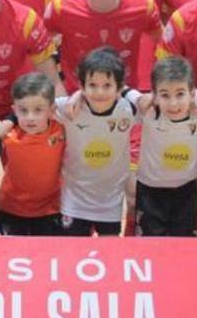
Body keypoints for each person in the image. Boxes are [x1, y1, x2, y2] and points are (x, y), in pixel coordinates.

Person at [54, 47, 137, 237]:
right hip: (73, 202)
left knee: (109, 257)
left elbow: (151, 102)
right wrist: (9, 121)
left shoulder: (128, 109)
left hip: (110, 203)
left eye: (107, 85)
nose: (99, 92)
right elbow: (37, 103)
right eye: (92, 85)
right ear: (82, 86)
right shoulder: (70, 108)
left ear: (119, 87)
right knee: (72, 256)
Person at [132, 57, 197, 238]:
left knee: (184, 249)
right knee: (149, 249)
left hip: (186, 193)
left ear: (192, 93)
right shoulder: (148, 112)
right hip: (149, 192)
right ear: (155, 96)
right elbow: (120, 95)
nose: (173, 103)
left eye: (180, 94)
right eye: (165, 95)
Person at [0, 72, 66, 235]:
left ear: (51, 110)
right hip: (11, 209)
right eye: (23, 110)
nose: (30, 117)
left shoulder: (61, 129)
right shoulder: (5, 135)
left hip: (51, 209)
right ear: (14, 110)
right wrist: (8, 121)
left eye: (38, 110)